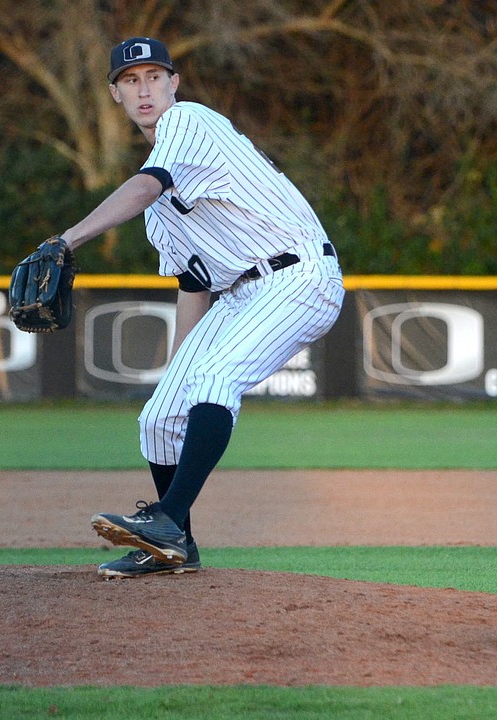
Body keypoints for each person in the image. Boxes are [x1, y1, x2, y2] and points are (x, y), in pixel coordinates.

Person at [55, 37, 344, 578]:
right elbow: (194, 284)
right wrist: (177, 376)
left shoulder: (188, 121)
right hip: (240, 295)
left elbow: (147, 186)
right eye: (130, 81)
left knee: (215, 379)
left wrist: (67, 240)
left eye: (153, 77)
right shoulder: (158, 215)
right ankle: (175, 546)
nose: (144, 90)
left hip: (300, 275)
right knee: (160, 416)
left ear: (174, 83)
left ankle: (166, 519)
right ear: (115, 94)